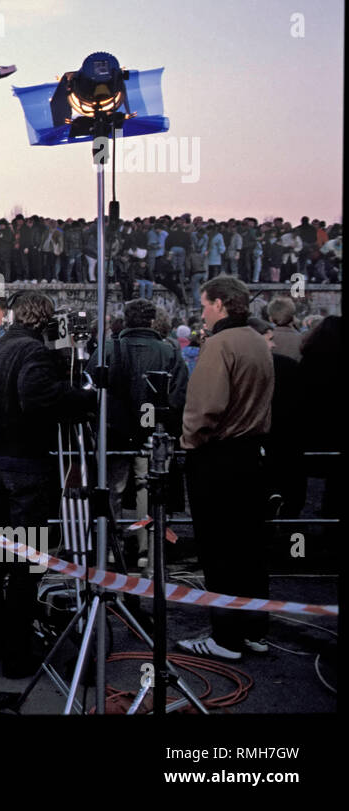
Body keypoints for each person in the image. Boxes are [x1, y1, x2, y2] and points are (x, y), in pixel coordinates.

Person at [0, 291, 97, 677]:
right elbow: (37, 398)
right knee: (24, 561)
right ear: (45, 319)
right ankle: (17, 655)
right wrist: (85, 396)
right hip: (25, 464)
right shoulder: (33, 352)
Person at [176, 276, 274, 661]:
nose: (202, 311)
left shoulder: (219, 345)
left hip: (219, 458)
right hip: (252, 455)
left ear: (219, 304)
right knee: (250, 550)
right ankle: (254, 631)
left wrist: (189, 442)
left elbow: (205, 409)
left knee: (220, 551)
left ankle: (225, 638)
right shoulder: (257, 341)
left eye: (204, 303)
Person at [88, 298, 189, 567]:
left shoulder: (108, 348)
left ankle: (113, 546)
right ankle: (148, 549)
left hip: (114, 431)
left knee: (111, 489)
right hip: (155, 430)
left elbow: (89, 390)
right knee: (150, 489)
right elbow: (179, 394)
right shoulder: (168, 351)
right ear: (152, 320)